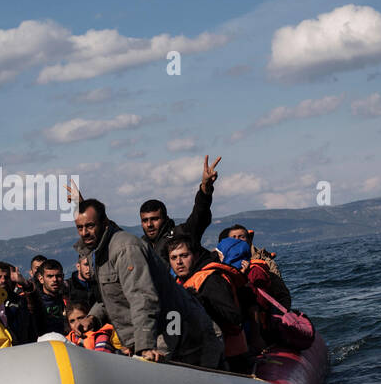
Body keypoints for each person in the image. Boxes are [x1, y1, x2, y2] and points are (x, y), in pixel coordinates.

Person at [72, 198, 223, 367]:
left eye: (90, 226)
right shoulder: (99, 254)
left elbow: (142, 297)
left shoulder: (125, 249)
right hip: (163, 336)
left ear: (104, 223)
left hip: (185, 336)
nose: (84, 232)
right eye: (80, 227)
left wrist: (144, 347)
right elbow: (112, 296)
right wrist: (93, 318)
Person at [167, 238, 254, 373]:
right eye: (174, 258)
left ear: (195, 256)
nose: (179, 262)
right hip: (197, 357)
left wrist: (201, 304)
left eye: (184, 256)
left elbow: (234, 317)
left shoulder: (211, 280)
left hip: (230, 359)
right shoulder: (178, 284)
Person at [140, 155, 222, 262]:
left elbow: (199, 215)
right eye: (145, 220)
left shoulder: (181, 234)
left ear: (165, 218)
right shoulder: (139, 246)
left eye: (155, 219)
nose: (149, 224)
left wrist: (205, 188)